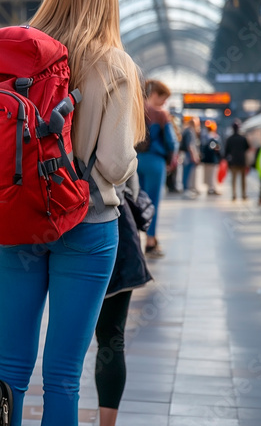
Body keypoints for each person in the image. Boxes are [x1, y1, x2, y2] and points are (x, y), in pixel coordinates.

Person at [0, 0, 144, 426]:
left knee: (10, 369)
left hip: (15, 222)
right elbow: (115, 164)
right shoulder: (115, 63)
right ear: (108, 0)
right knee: (62, 376)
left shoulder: (15, 51)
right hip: (86, 225)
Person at [94, 172, 152, 426]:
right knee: (110, 340)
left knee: (63, 349)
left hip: (54, 228)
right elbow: (128, 178)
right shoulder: (120, 129)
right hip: (110, 227)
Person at [135, 80, 177, 258]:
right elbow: (172, 141)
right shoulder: (161, 114)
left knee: (136, 201)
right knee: (152, 202)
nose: (164, 103)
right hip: (155, 162)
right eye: (163, 98)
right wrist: (172, 159)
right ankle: (151, 242)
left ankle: (135, 241)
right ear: (154, 95)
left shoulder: (135, 111)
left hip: (135, 161)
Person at [224, 121, 250, 201]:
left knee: (233, 179)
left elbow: (226, 152)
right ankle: (244, 195)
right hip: (242, 161)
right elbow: (248, 148)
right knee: (243, 179)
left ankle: (234, 195)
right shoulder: (243, 138)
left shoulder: (229, 139)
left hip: (233, 162)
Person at [181, 117, 201, 198]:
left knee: (187, 172)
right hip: (188, 155)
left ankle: (187, 188)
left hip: (186, 154)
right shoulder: (190, 131)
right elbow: (190, 145)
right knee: (187, 172)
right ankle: (186, 189)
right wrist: (194, 156)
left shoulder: (186, 130)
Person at [201, 121, 222, 195]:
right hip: (212, 159)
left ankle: (210, 188)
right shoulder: (214, 137)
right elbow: (215, 148)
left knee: (208, 174)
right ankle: (212, 188)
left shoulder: (204, 137)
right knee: (212, 174)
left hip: (206, 159)